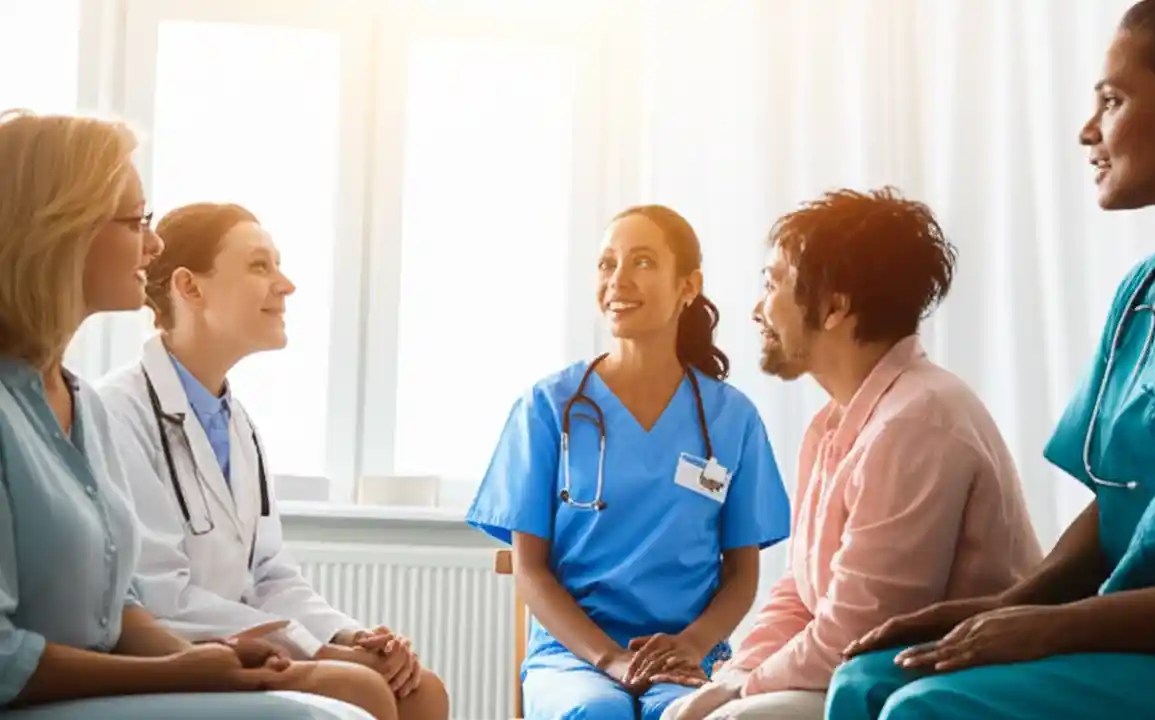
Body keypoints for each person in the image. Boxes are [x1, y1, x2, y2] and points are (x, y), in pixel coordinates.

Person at [827, 1, 1155, 718]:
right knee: (863, 682)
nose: (1088, 130)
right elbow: (1124, 505)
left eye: (1113, 99)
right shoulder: (1145, 294)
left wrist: (1060, 626)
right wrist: (1000, 607)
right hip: (1133, 636)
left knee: (929, 708)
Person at [0, 109, 391, 719]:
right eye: (136, 222)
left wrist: (226, 660)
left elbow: (122, 605)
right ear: (61, 231)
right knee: (341, 708)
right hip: (38, 697)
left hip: (118, 674)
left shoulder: (83, 411)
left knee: (382, 694)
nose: (152, 245)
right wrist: (184, 666)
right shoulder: (94, 409)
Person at [662, 189, 1042, 720]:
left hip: (938, 683)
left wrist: (739, 694)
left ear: (836, 306)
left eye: (772, 283)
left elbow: (856, 631)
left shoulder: (915, 422)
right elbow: (802, 590)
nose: (755, 309)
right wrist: (734, 674)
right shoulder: (835, 422)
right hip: (861, 667)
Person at [96, 202, 449, 720]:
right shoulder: (118, 411)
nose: (285, 285)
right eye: (260, 266)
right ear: (190, 288)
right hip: (182, 652)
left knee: (422, 691)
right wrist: (319, 650)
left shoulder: (236, 422)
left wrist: (352, 635)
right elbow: (158, 595)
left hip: (246, 640)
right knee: (361, 691)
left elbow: (271, 575)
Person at [466, 205, 792, 719]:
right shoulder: (548, 407)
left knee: (690, 714)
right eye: (606, 264)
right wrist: (609, 657)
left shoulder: (732, 419)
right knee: (597, 712)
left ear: (688, 285)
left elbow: (741, 575)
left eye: (641, 261)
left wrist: (692, 645)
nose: (618, 280)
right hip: (573, 656)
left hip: (687, 655)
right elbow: (530, 568)